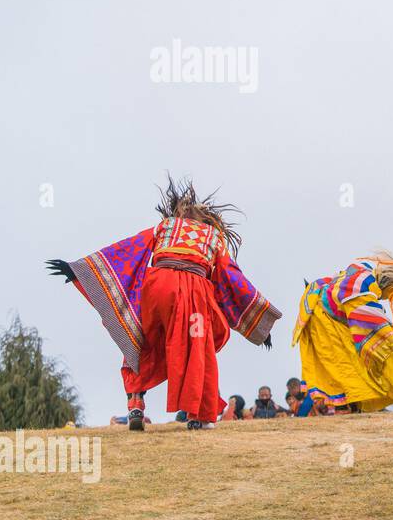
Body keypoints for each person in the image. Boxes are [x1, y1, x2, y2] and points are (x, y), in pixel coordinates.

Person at [45, 176, 280, 431]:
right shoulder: (214, 237)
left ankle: (136, 403)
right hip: (194, 293)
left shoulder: (164, 227)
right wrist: (260, 325)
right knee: (197, 348)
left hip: (157, 288)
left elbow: (129, 248)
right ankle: (198, 416)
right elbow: (233, 278)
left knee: (141, 338)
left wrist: (79, 270)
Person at [294, 249, 393, 413]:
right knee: (346, 365)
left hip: (330, 317)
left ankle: (352, 406)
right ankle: (347, 406)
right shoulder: (364, 285)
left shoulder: (366, 276)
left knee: (352, 365)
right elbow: (369, 317)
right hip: (324, 320)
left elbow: (371, 313)